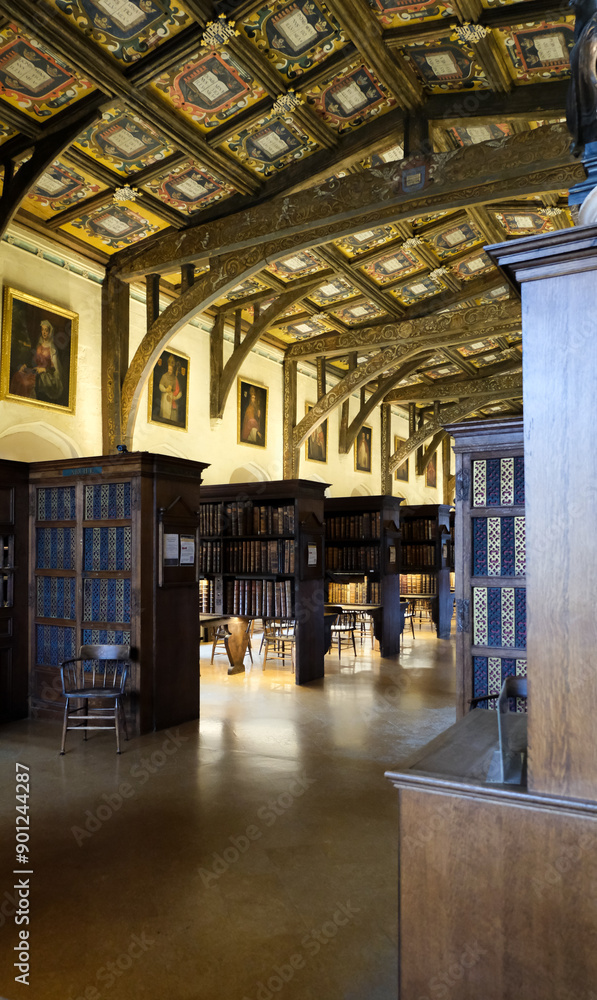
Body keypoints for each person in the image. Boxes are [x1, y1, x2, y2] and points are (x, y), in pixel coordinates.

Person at [10, 318, 63, 403]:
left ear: (49, 332)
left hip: (45, 374)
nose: (44, 332)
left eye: (46, 330)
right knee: (17, 376)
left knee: (25, 383)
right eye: (43, 330)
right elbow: (34, 362)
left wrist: (44, 369)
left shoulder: (52, 349)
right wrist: (25, 366)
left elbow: (54, 369)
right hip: (35, 371)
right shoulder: (39, 345)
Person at [158, 354, 183, 423]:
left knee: (172, 416)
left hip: (171, 399)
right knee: (164, 415)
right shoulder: (164, 376)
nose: (169, 371)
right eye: (168, 369)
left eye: (171, 370)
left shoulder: (175, 378)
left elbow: (179, 391)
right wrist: (165, 390)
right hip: (165, 399)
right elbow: (160, 385)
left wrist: (175, 397)